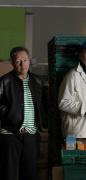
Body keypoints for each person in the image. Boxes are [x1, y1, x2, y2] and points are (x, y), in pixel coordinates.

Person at [0, 47, 44, 180]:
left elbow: (42, 105)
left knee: (30, 174)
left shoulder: (37, 81)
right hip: (10, 134)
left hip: (31, 134)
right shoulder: (4, 81)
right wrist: (9, 113)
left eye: (25, 60)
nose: (22, 64)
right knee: (9, 174)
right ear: (13, 63)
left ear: (29, 61)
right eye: (18, 61)